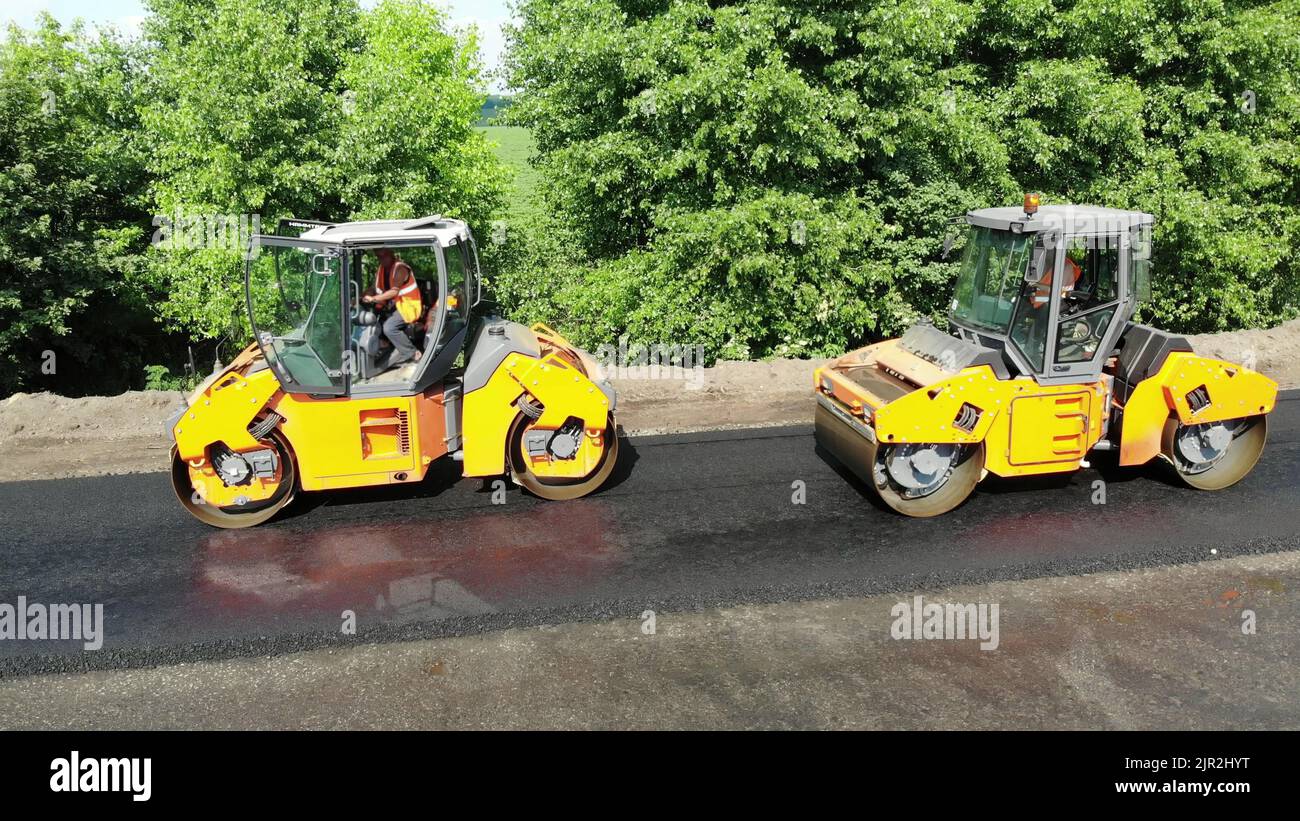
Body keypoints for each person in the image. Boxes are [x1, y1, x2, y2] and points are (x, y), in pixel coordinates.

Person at [362, 249, 423, 367]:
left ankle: (413, 353)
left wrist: (374, 298)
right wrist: (361, 296)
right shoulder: (381, 269)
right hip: (393, 306)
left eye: (384, 255)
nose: (381, 259)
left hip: (408, 307)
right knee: (371, 321)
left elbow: (394, 292)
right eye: (379, 256)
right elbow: (374, 288)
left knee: (389, 328)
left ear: (391, 254)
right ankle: (385, 347)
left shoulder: (401, 269)